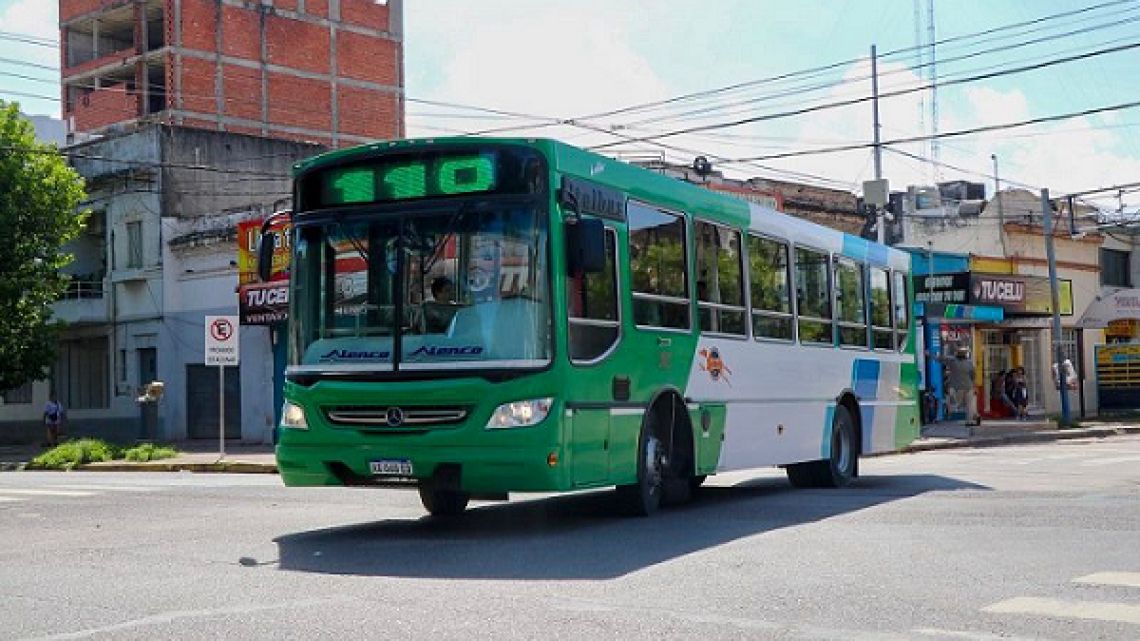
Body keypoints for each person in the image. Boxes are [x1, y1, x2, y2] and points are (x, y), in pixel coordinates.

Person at [942, 347, 980, 426]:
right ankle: (971, 420)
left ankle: (949, 412)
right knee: (969, 404)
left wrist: (929, 355)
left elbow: (940, 358)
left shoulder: (952, 361)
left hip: (956, 387)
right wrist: (974, 385)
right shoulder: (969, 363)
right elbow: (973, 375)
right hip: (968, 387)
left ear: (957, 354)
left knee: (954, 403)